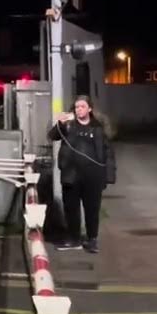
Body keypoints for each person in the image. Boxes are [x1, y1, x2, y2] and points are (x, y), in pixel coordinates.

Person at [48, 95, 116, 253]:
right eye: (77, 107)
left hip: (93, 177)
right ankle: (73, 238)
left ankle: (92, 239)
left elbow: (108, 152)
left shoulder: (98, 128)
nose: (79, 109)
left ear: (90, 109)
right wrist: (60, 123)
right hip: (71, 175)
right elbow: (52, 136)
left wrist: (109, 175)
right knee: (71, 208)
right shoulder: (69, 126)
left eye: (82, 106)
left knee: (92, 209)